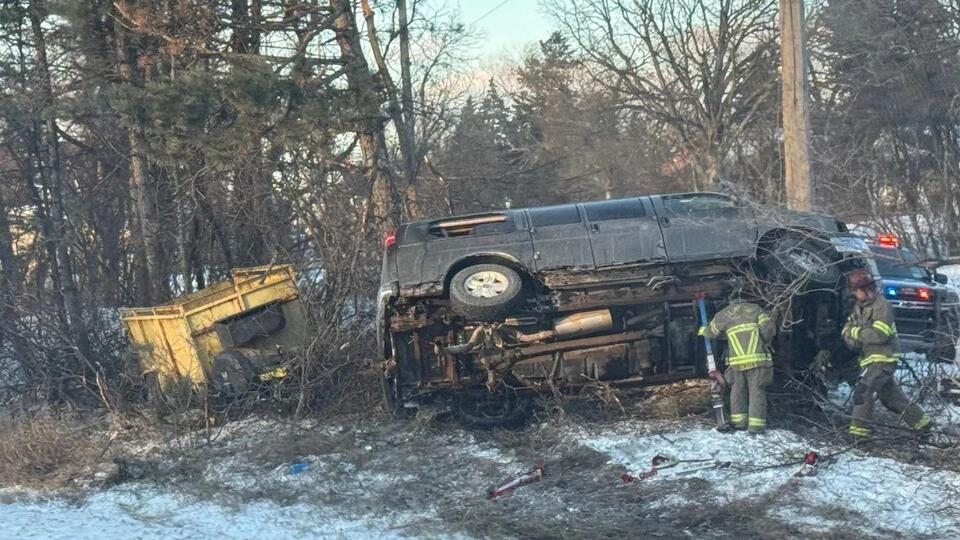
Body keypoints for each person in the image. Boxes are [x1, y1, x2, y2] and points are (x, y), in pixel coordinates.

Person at [842, 269, 930, 439]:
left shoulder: (882, 306)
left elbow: (879, 335)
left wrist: (855, 333)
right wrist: (853, 333)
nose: (854, 294)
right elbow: (848, 329)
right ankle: (923, 424)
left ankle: (859, 434)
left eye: (856, 291)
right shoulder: (859, 308)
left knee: (863, 391)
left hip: (884, 359)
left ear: (866, 289)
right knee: (890, 398)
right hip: (870, 359)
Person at [700, 292, 776, 434]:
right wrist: (764, 342)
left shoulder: (724, 314)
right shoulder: (756, 309)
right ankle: (756, 427)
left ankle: (739, 423)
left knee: (737, 391)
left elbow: (711, 333)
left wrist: (703, 330)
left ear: (731, 301)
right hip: (757, 360)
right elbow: (768, 330)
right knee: (757, 392)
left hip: (736, 363)